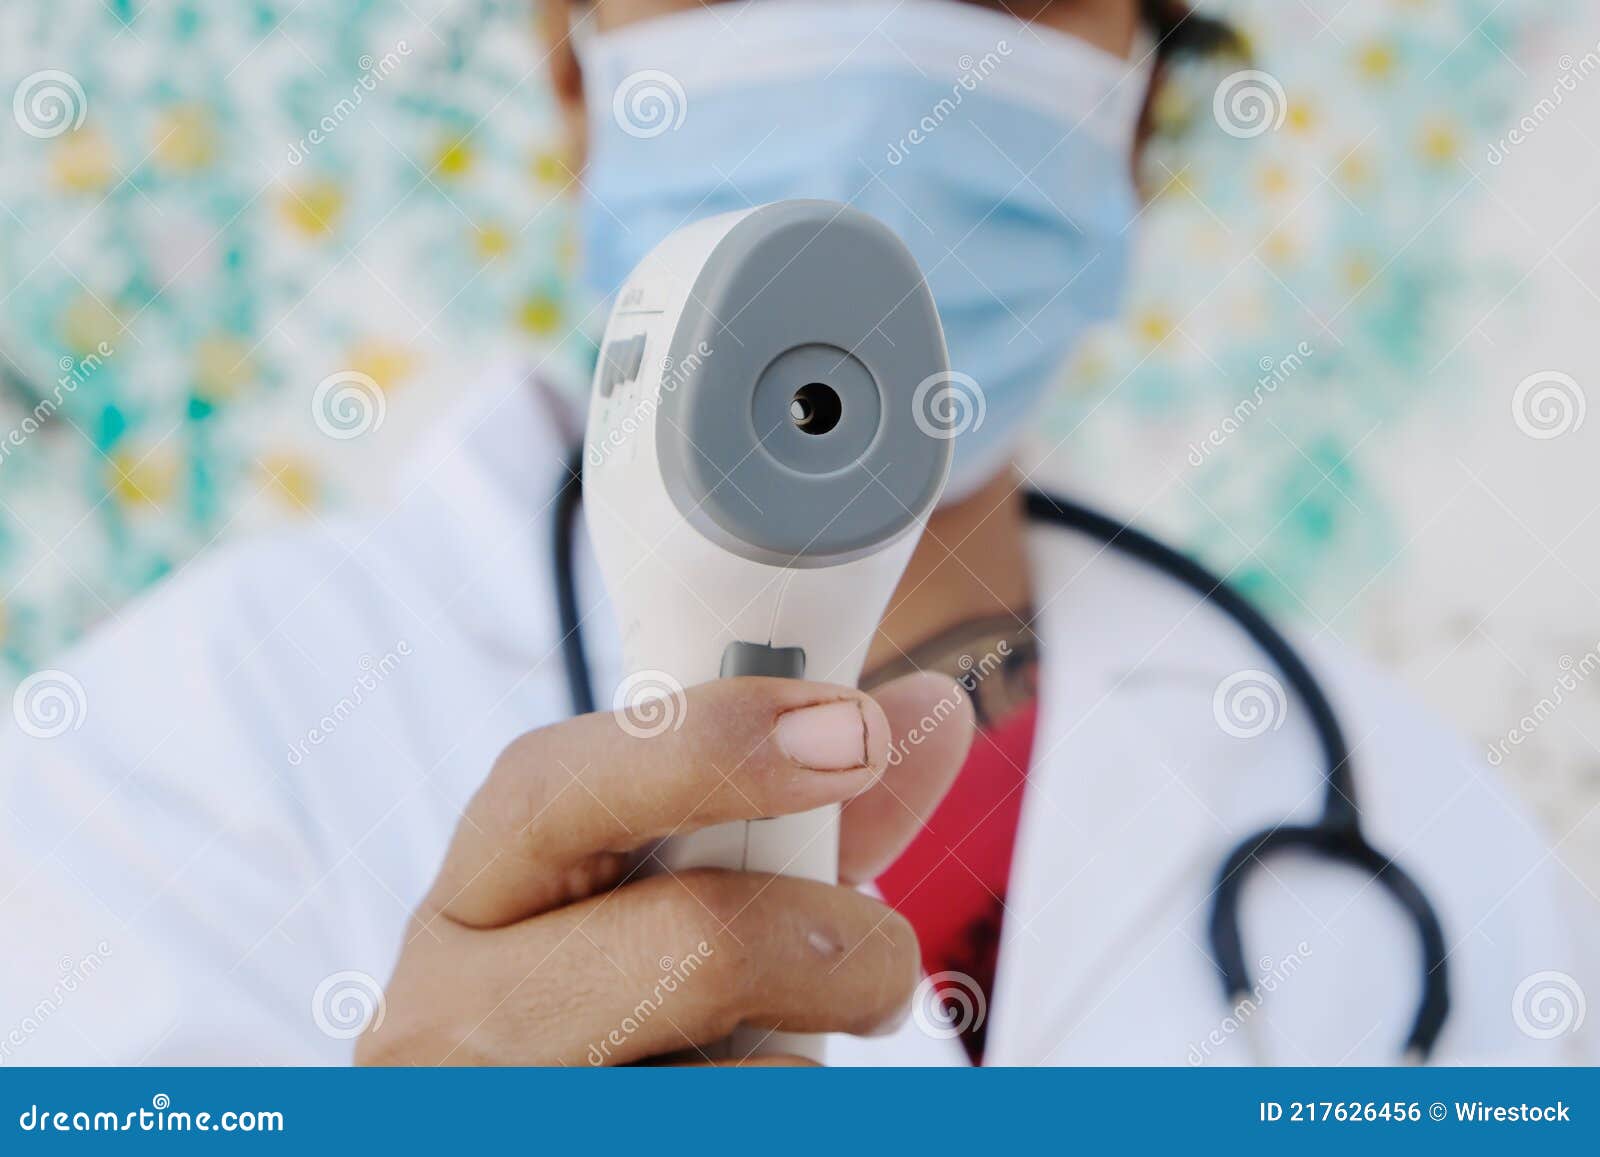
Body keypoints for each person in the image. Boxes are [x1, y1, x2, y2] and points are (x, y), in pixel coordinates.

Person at [1, 0, 1595, 1068]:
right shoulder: (168, 760)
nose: (882, 61)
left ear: (1139, 112)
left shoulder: (1427, 833)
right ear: (578, 79)